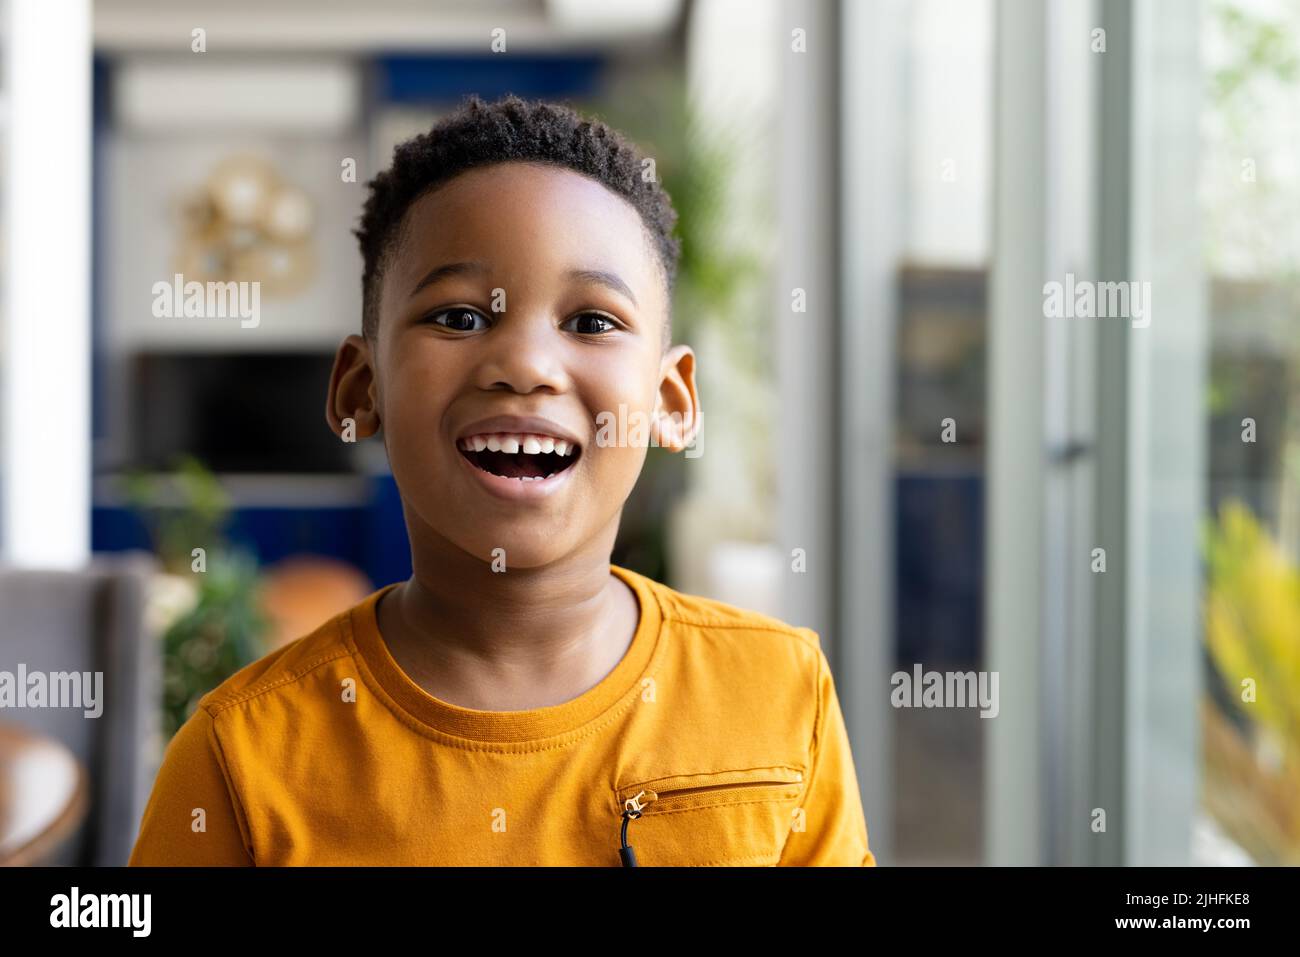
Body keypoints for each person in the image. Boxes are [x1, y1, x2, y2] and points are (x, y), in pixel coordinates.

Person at [128, 94, 875, 866]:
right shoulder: (239, 754)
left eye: (591, 322)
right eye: (457, 318)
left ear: (671, 400)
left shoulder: (781, 689)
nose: (524, 365)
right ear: (361, 389)